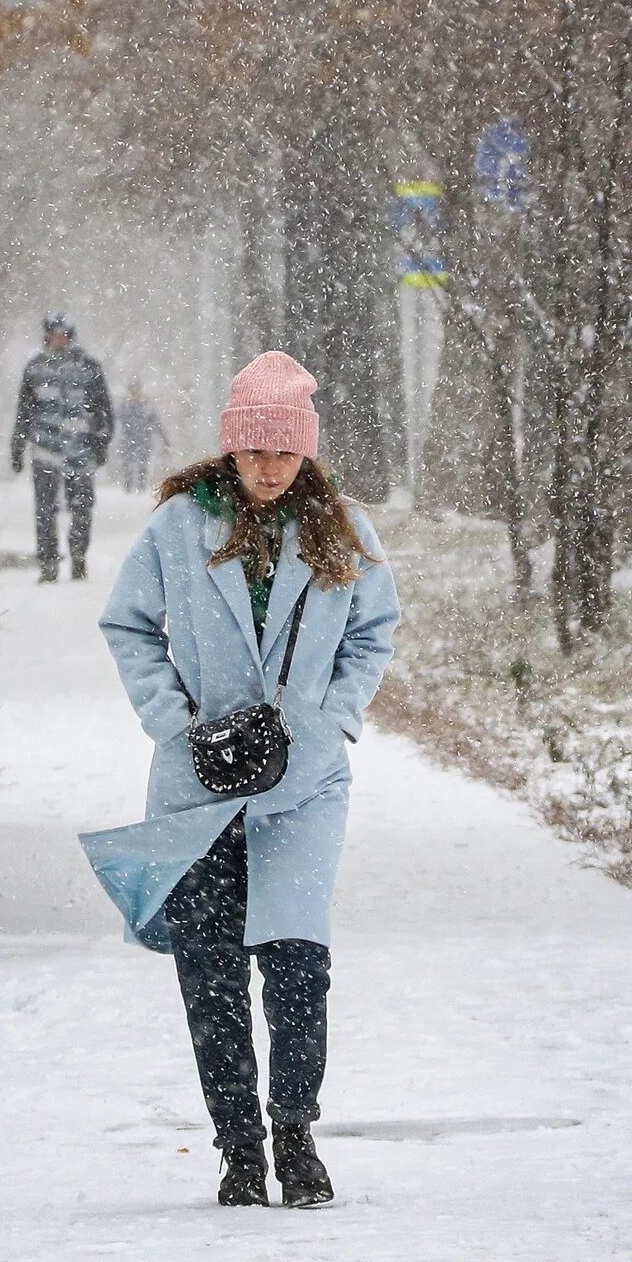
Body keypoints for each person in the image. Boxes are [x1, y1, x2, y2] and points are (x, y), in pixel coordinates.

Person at [96, 351, 400, 1208]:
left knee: (299, 962)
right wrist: (176, 720)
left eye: (285, 451)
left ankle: (295, 1133)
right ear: (231, 447)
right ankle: (238, 1147)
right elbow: (128, 623)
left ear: (306, 451)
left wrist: (332, 719)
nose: (269, 468)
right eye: (255, 450)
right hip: (197, 783)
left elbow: (373, 631)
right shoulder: (178, 527)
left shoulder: (344, 530)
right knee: (211, 971)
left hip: (304, 784)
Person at [9, 313, 114, 581]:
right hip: (45, 451)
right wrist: (17, 445)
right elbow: (24, 411)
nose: (59, 340)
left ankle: (78, 557)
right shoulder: (35, 369)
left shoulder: (89, 368)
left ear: (71, 336)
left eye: (63, 335)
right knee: (44, 510)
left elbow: (103, 409)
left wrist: (101, 441)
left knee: (82, 508)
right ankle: (48, 563)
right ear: (46, 337)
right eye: (54, 335)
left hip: (81, 451)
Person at [114, 380, 171, 493]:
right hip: (128, 440)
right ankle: (128, 485)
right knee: (127, 464)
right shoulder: (124, 406)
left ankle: (141, 486)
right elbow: (115, 421)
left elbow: (156, 423)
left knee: (143, 464)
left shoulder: (147, 406)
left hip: (144, 440)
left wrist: (164, 439)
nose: (134, 393)